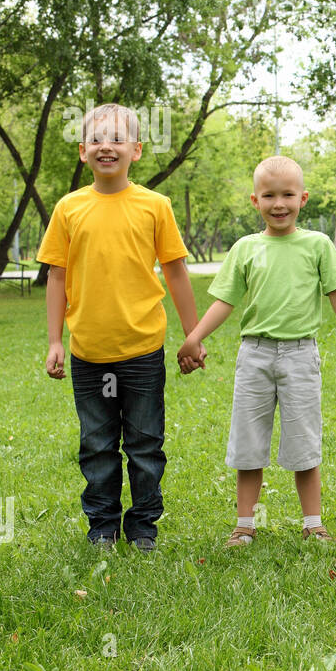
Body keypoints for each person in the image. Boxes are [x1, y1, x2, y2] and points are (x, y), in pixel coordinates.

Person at [176, 155, 336, 545]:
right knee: (248, 443)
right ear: (255, 201)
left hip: (301, 356)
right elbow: (225, 302)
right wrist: (195, 337)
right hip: (254, 356)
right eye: (268, 195)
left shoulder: (317, 245)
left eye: (288, 194)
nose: (279, 204)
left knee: (304, 441)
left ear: (303, 198)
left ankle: (313, 523)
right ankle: (245, 525)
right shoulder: (245, 248)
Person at [39, 103, 203, 552]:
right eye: (96, 138)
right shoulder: (69, 208)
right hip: (88, 354)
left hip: (142, 351)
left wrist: (193, 334)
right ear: (82, 152)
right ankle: (103, 527)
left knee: (146, 446)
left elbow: (176, 272)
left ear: (137, 150)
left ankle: (144, 527)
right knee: (97, 446)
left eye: (116, 139)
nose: (105, 146)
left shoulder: (155, 206)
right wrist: (55, 340)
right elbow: (56, 275)